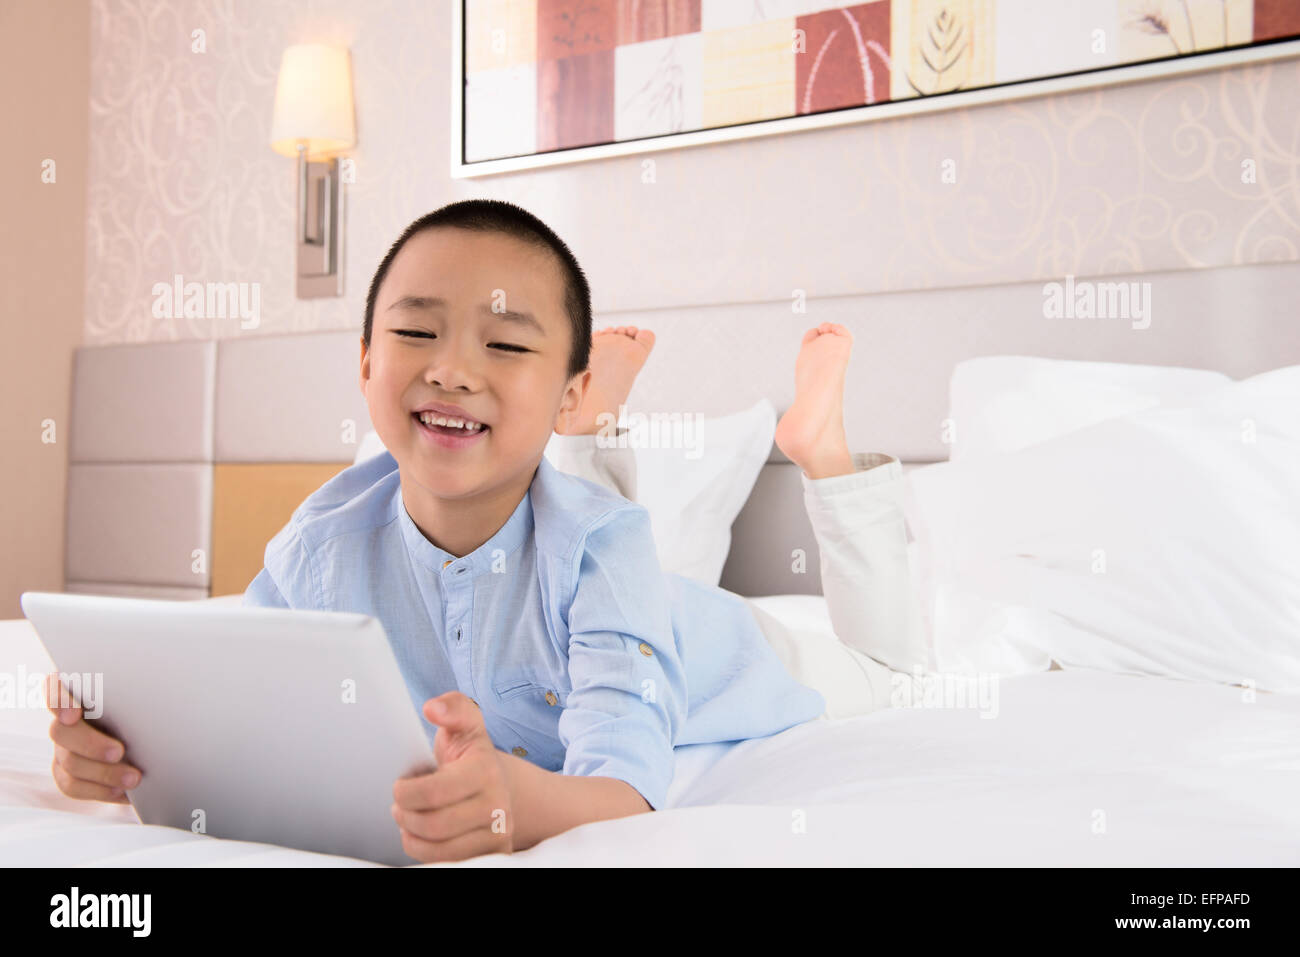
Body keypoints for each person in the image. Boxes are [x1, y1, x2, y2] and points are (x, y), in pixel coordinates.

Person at [45, 200, 924, 863]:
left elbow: (624, 791)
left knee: (894, 673)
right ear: (364, 363)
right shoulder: (323, 540)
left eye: (505, 346)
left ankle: (823, 451)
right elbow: (236, 679)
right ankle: (590, 432)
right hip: (572, 541)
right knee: (561, 507)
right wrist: (121, 740)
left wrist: (518, 799)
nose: (452, 367)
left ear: (560, 384)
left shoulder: (603, 554)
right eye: (417, 330)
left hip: (723, 652)